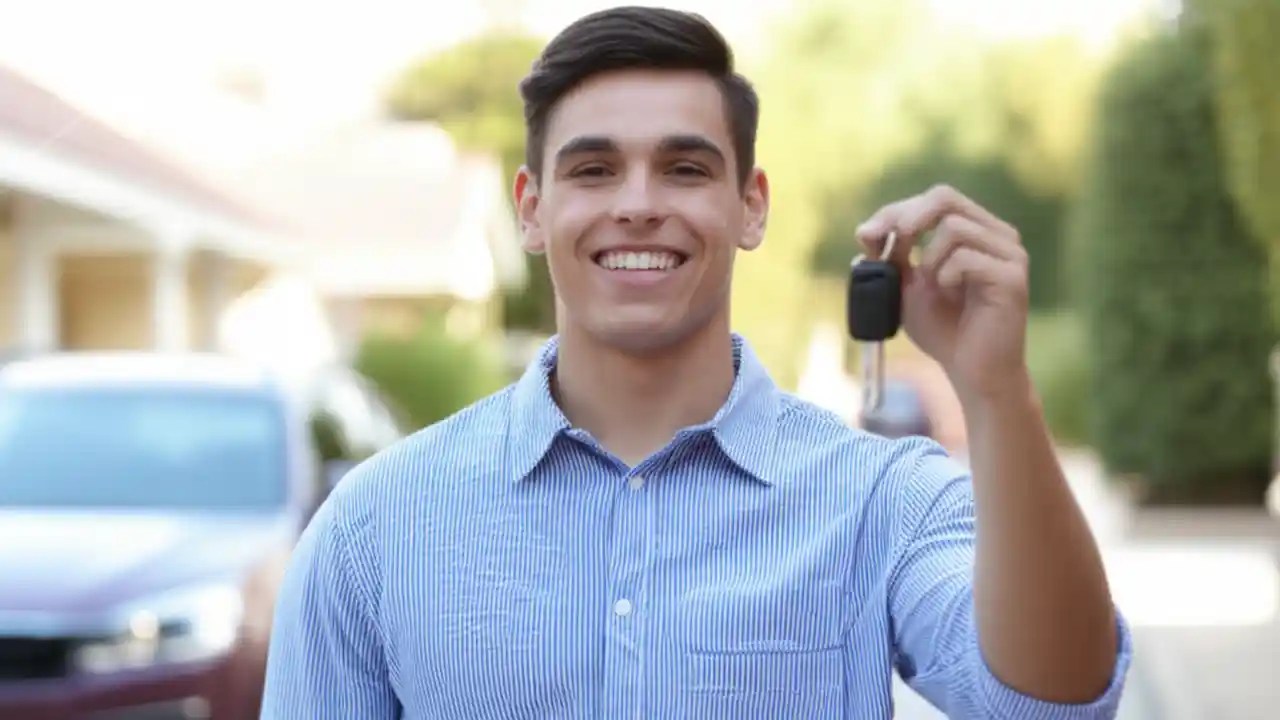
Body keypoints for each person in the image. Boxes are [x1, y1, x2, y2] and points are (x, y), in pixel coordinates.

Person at [260, 6, 1132, 719]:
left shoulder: (881, 503)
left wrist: (998, 392)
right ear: (531, 210)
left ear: (750, 206)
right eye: (595, 170)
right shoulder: (373, 530)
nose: (638, 205)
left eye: (684, 168)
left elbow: (1052, 703)